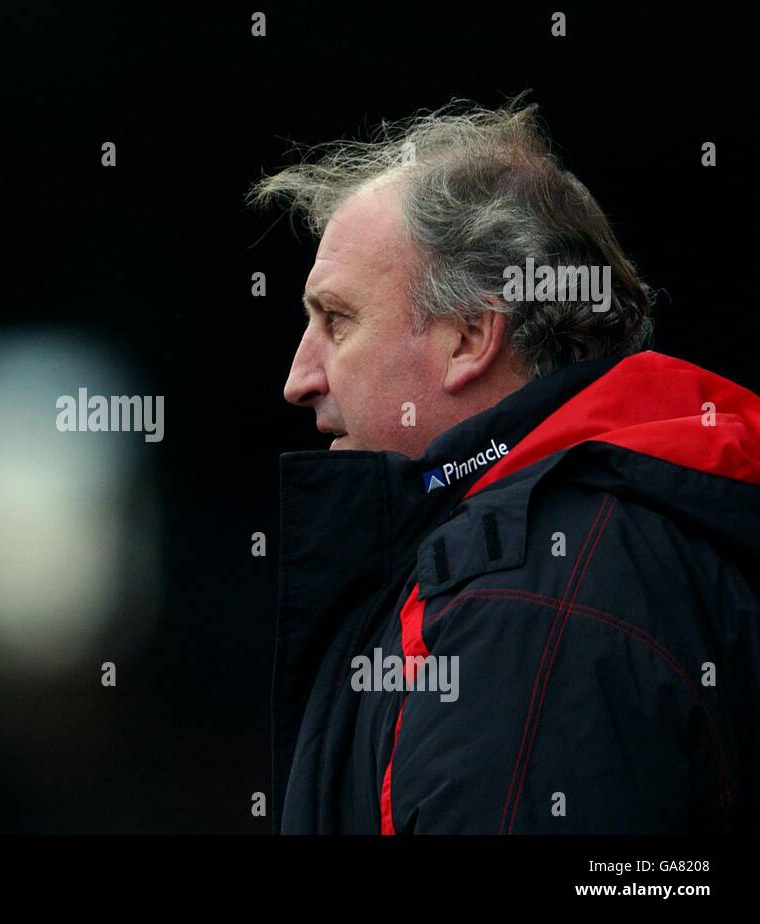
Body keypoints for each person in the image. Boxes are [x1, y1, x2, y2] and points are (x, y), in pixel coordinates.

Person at [247, 95, 760, 833]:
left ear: (471, 338)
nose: (300, 378)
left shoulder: (528, 596)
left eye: (337, 320)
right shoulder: (588, 545)